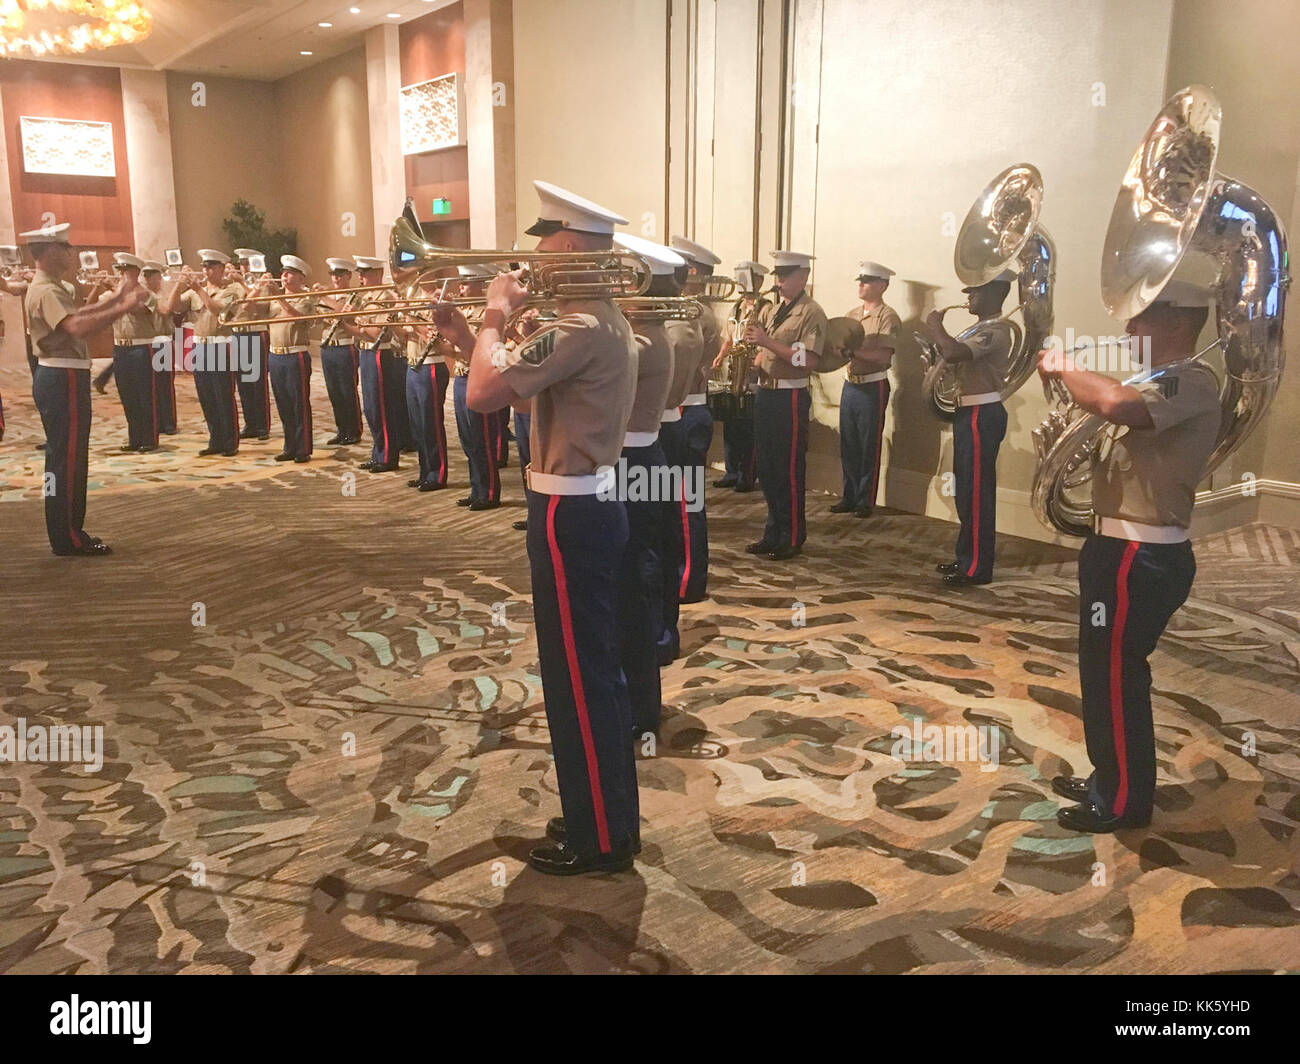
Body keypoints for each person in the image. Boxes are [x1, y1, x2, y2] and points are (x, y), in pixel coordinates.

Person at [439, 180, 640, 876]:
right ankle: (602, 815)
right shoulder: (597, 323)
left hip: (569, 508)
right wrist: (470, 336)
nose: (533, 257)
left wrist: (495, 317)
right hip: (588, 500)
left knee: (576, 677)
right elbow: (520, 400)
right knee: (588, 670)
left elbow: (484, 398)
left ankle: (601, 837)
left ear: (576, 248)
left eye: (544, 242)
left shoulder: (579, 327)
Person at [1038, 280, 1220, 833]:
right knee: (1102, 671)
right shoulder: (1153, 381)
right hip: (1116, 548)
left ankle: (1121, 801)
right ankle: (1108, 777)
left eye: (1140, 321)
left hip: (1141, 556)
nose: (1127, 332)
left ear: (1176, 324)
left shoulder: (1193, 381)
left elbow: (1114, 403)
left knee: (1117, 675)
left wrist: (1065, 366)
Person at [21, 221, 150, 555]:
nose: (72, 252)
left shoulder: (50, 285)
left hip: (63, 375)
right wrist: (123, 306)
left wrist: (119, 296)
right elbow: (76, 326)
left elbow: (77, 313)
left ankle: (69, 530)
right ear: (50, 251)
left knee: (68, 458)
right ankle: (67, 536)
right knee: (66, 460)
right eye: (66, 247)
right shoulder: (47, 289)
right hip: (61, 377)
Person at [613, 232, 682, 737]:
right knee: (644, 559)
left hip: (636, 458)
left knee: (639, 565)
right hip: (642, 454)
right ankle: (657, 641)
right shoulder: (647, 333)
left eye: (623, 282)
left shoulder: (643, 340)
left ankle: (651, 655)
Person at [920, 270, 1014, 586]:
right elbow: (951, 359)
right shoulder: (979, 329)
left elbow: (953, 352)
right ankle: (966, 557)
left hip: (981, 413)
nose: (968, 297)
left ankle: (976, 567)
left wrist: (935, 327)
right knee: (966, 492)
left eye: (975, 291)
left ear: (994, 293)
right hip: (969, 412)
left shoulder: (996, 331)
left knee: (976, 494)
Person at [744, 250, 827, 560]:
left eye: (785, 275)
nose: (778, 281)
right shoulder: (774, 310)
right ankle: (773, 531)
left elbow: (808, 360)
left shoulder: (811, 313)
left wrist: (767, 343)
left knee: (788, 468)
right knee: (767, 468)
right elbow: (766, 351)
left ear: (803, 277)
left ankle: (792, 535)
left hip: (790, 396)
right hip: (766, 392)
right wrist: (754, 359)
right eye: (777, 275)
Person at [668, 236, 721, 601]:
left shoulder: (694, 312)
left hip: (688, 408)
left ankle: (689, 579)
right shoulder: (680, 308)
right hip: (678, 410)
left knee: (686, 504)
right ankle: (677, 573)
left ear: (690, 271)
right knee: (671, 501)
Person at [833, 261, 900, 517]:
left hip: (873, 385)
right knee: (848, 442)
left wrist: (852, 352)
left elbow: (883, 357)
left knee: (868, 444)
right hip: (851, 384)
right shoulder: (852, 315)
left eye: (868, 280)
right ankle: (849, 495)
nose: (861, 284)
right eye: (860, 280)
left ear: (883, 285)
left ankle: (864, 499)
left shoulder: (887, 316)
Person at [162, 250, 244, 457]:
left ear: (221, 268)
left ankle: (230, 442)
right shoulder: (196, 291)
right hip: (199, 346)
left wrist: (198, 289)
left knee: (223, 395)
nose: (205, 271)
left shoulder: (231, 289)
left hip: (220, 345)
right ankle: (215, 439)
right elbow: (171, 307)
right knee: (206, 396)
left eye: (210, 267)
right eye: (204, 266)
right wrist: (180, 284)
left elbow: (217, 309)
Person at [251, 254, 316, 463]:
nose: (284, 277)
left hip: (295, 355)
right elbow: (246, 308)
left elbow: (297, 317)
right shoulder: (273, 298)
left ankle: (303, 448)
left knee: (299, 404)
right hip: (275, 355)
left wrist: (278, 296)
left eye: (289, 273)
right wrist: (258, 287)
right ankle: (290, 446)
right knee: (283, 404)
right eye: (283, 273)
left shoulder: (306, 299)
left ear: (301, 278)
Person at [343, 255, 405, 473]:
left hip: (380, 354)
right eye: (360, 272)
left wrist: (358, 320)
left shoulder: (384, 297)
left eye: (365, 272)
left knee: (381, 407)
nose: (361, 277)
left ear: (378, 273)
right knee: (369, 408)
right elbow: (360, 333)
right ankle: (378, 451)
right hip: (366, 353)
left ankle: (388, 455)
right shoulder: (364, 297)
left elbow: (378, 333)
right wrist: (343, 322)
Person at [712, 260, 769, 492]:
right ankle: (731, 469)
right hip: (735, 366)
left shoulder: (765, 307)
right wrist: (720, 356)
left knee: (748, 423)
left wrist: (758, 361)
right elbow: (729, 336)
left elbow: (768, 339)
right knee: (731, 420)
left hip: (753, 369)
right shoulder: (736, 306)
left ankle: (748, 472)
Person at [449, 266, 504, 510]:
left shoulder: (487, 315)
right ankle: (476, 487)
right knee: (467, 438)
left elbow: (488, 350)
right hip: (461, 376)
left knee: (483, 438)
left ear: (480, 285)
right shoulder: (465, 311)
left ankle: (489, 491)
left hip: (478, 377)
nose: (460, 287)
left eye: (465, 283)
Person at [98, 253, 160, 453]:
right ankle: (135, 437)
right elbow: (96, 306)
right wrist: (100, 287)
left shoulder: (146, 293)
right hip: (121, 348)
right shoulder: (116, 293)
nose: (121, 274)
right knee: (128, 396)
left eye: (125, 271)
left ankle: (149, 438)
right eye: (120, 270)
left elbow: (139, 310)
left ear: (136, 272)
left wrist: (119, 293)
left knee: (145, 395)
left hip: (141, 348)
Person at [402, 308, 450, 492]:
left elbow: (433, 333)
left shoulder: (437, 304)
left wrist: (411, 320)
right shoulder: (413, 303)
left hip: (431, 364)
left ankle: (437, 473)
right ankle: (425, 471)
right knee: (418, 425)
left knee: (431, 424)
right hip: (413, 364)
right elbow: (402, 335)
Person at [318, 257, 363, 445]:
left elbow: (349, 315)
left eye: (339, 275)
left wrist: (326, 300)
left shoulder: (354, 296)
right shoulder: (329, 296)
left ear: (348, 276)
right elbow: (320, 316)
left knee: (347, 390)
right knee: (334, 391)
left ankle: (353, 430)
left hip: (345, 346)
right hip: (328, 346)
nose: (335, 278)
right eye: (332, 274)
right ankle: (341, 429)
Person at [231, 248, 272, 441]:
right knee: (243, 382)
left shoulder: (261, 282)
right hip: (238, 334)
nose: (244, 267)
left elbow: (257, 304)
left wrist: (244, 284)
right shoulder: (234, 283)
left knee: (256, 382)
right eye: (242, 263)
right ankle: (250, 423)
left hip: (255, 333)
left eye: (247, 263)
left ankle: (262, 425)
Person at [142, 261, 178, 435]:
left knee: (165, 384)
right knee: (150, 385)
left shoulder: (163, 295)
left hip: (163, 341)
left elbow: (165, 310)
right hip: (148, 342)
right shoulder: (142, 295)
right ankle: (157, 421)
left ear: (159, 277)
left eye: (152, 276)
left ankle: (168, 422)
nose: (147, 279)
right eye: (146, 276)